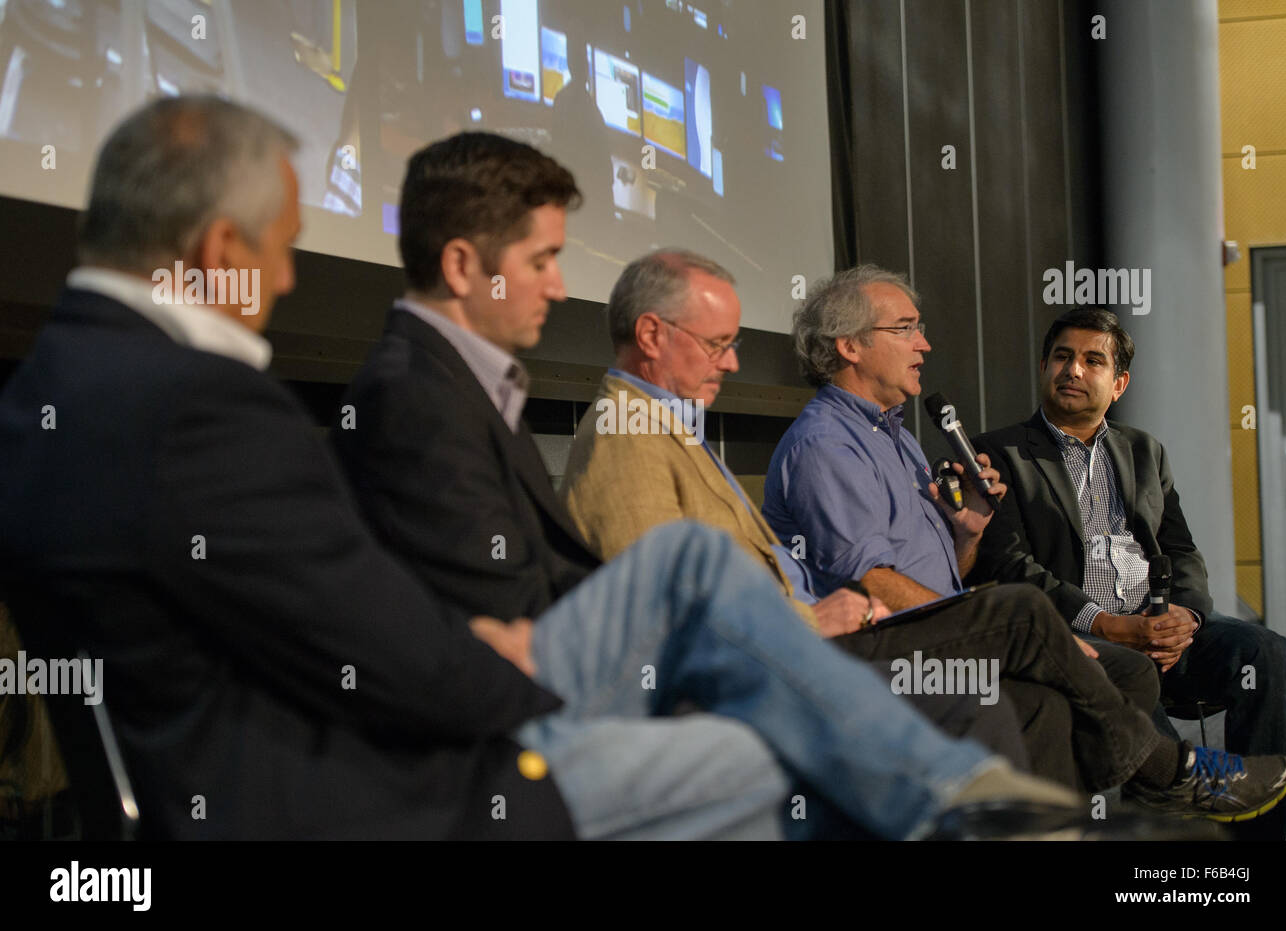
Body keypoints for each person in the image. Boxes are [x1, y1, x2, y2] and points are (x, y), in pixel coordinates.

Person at [330, 130, 1113, 839]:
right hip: (558, 729)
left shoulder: (497, 396)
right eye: (541, 262)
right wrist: (804, 627)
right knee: (982, 653)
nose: (559, 288)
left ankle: (1040, 813)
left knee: (1000, 696)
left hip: (670, 670)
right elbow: (592, 608)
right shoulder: (440, 401)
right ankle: (1108, 789)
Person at [0, 96, 579, 839]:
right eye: (282, 247)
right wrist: (552, 681)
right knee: (729, 755)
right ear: (221, 252)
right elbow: (395, 660)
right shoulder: (202, 410)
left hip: (219, 793)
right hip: (361, 803)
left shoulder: (41, 392)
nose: (286, 280)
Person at [761, 265, 1286, 818]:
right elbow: (870, 579)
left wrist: (966, 533)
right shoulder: (828, 445)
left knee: (1218, 657)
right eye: (906, 328)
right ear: (850, 345)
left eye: (1094, 361)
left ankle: (1093, 818)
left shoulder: (899, 439)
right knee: (1024, 612)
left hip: (974, 631)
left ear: (1119, 383)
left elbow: (959, 571)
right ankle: (1170, 775)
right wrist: (1014, 629)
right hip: (881, 647)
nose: (925, 343)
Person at [971, 308, 1286, 766]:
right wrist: (1107, 623)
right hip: (1080, 631)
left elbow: (1181, 550)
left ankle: (1259, 820)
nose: (1073, 370)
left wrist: (1187, 617)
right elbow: (1010, 566)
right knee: (1131, 680)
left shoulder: (1143, 450)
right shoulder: (999, 453)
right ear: (1044, 367)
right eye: (1062, 357)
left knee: (1266, 651)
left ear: (1119, 383)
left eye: (1092, 360)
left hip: (1158, 623)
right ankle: (1182, 787)